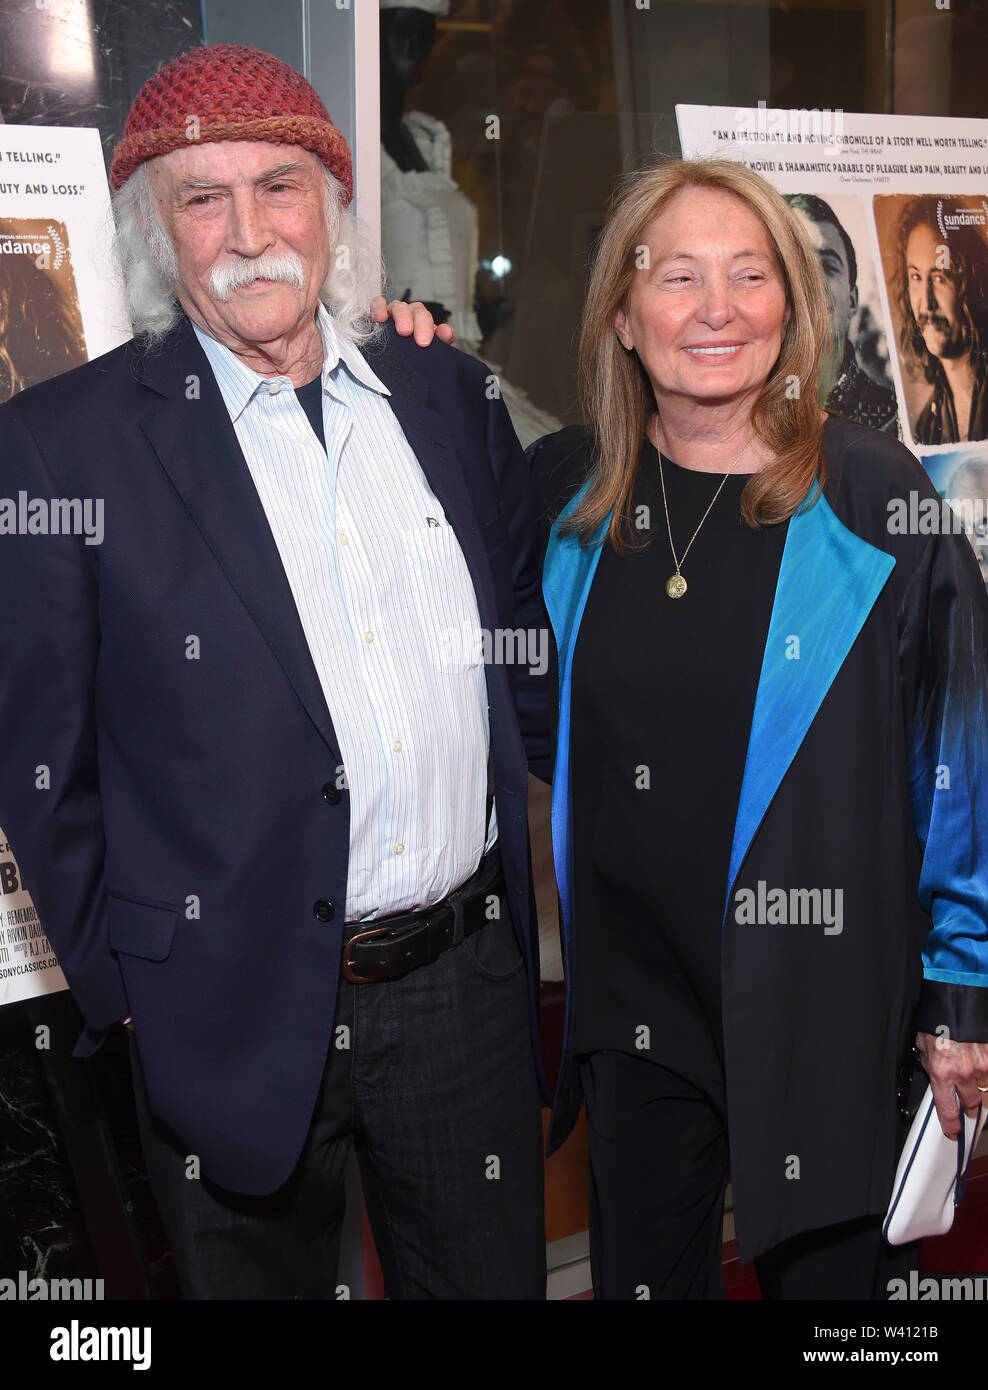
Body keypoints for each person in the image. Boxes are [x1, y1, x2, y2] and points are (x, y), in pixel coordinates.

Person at [0, 44, 549, 1300]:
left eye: (281, 187)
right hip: (225, 1001)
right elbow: (42, 756)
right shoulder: (57, 448)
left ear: (335, 207)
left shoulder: (447, 395)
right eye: (202, 198)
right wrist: (130, 986)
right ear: (156, 232)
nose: (248, 231)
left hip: (461, 983)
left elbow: (518, 637)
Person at [529, 157, 988, 1300]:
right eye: (676, 276)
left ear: (791, 305)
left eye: (749, 274)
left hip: (824, 1003)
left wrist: (960, 995)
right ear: (624, 317)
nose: (717, 307)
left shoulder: (870, 490)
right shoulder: (573, 500)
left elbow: (959, 752)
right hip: (638, 1018)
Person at [785, 193, 898, 435]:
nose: (813, 282)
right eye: (795, 264)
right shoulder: (738, 413)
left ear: (853, 301)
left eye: (828, 266)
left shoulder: (892, 417)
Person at [892, 195, 988, 444]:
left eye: (939, 277)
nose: (927, 302)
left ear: (972, 282)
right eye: (915, 277)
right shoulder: (928, 425)